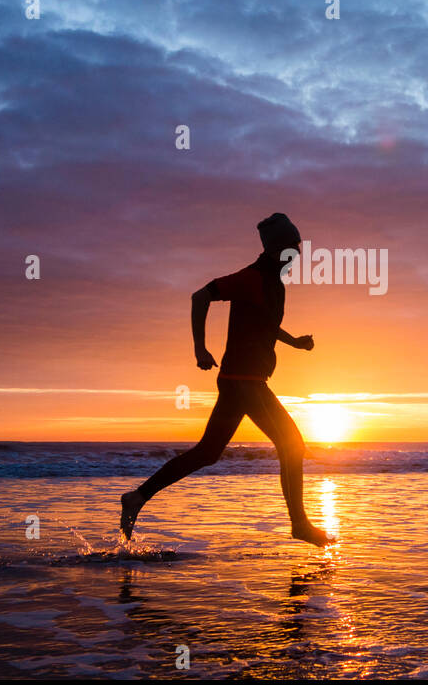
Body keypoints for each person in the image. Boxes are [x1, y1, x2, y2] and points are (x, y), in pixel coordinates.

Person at [120, 213, 334, 547]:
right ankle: (300, 524)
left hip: (242, 381)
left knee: (208, 452)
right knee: (292, 444)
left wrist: (293, 342)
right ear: (276, 249)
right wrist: (200, 349)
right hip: (245, 382)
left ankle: (137, 497)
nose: (297, 256)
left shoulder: (273, 283)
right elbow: (200, 296)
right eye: (292, 249)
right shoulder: (252, 277)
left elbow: (262, 322)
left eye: (299, 249)